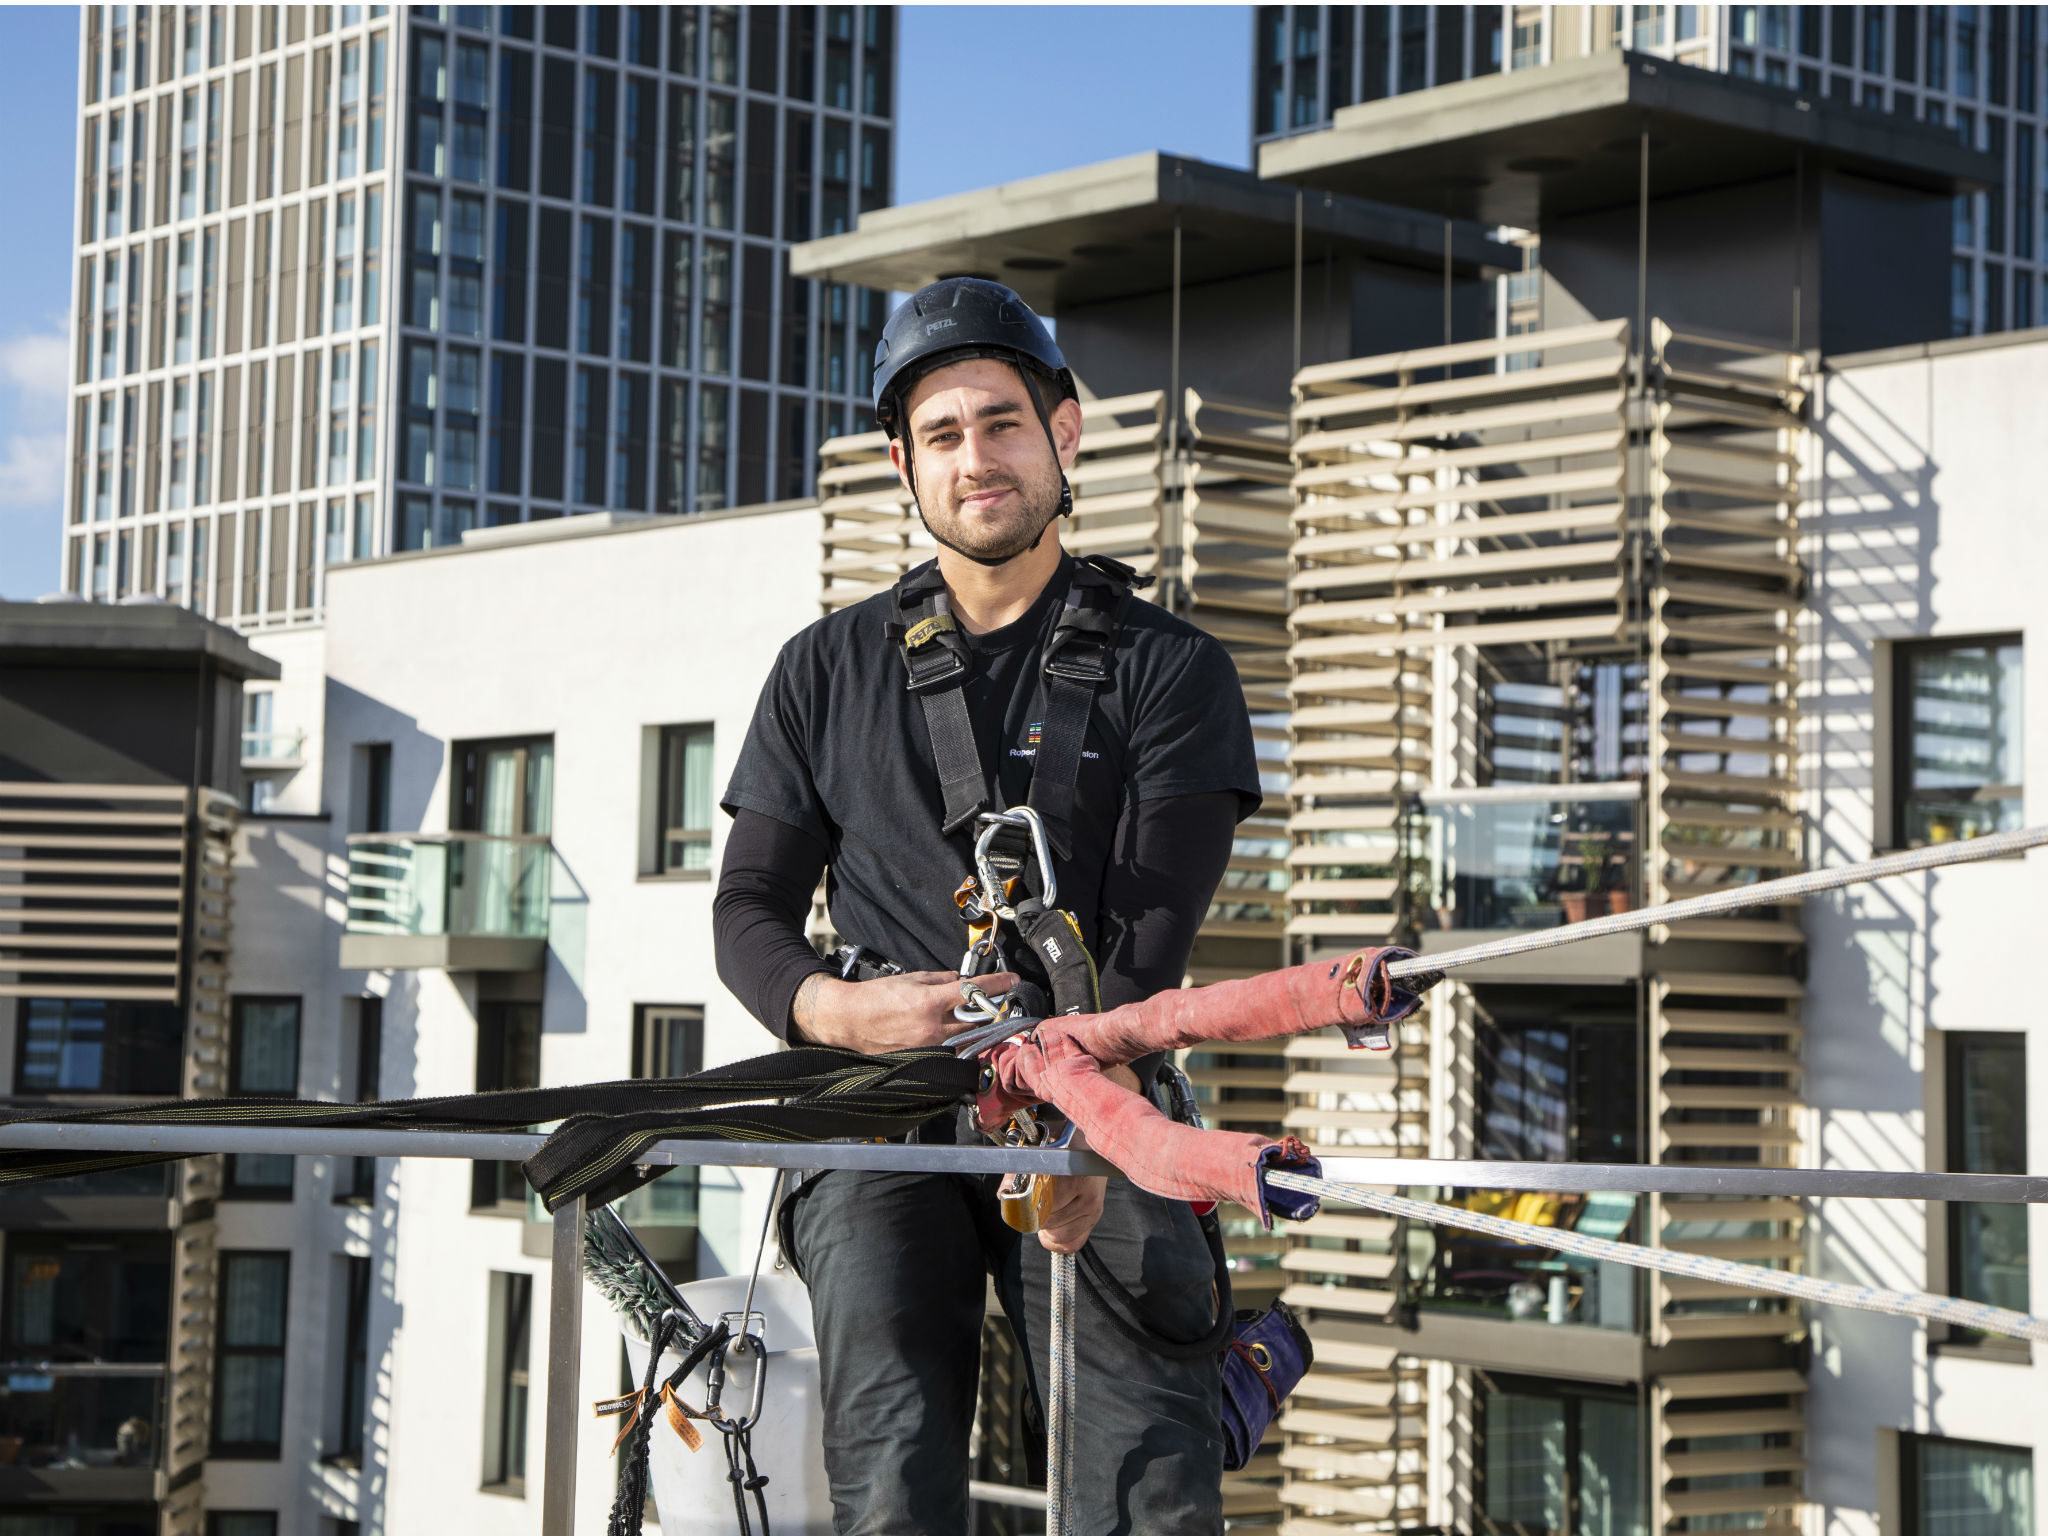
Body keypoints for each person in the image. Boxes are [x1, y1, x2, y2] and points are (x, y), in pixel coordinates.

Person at [714, 277, 1261, 1535]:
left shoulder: (1168, 671)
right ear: (901, 465)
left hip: (1092, 1090)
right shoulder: (822, 673)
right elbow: (747, 908)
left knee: (1143, 1491)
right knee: (892, 1474)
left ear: (1063, 436)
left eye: (1003, 423)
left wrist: (1072, 1134)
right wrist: (839, 1015)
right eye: (943, 435)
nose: (978, 459)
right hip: (884, 1117)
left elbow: (1146, 952)